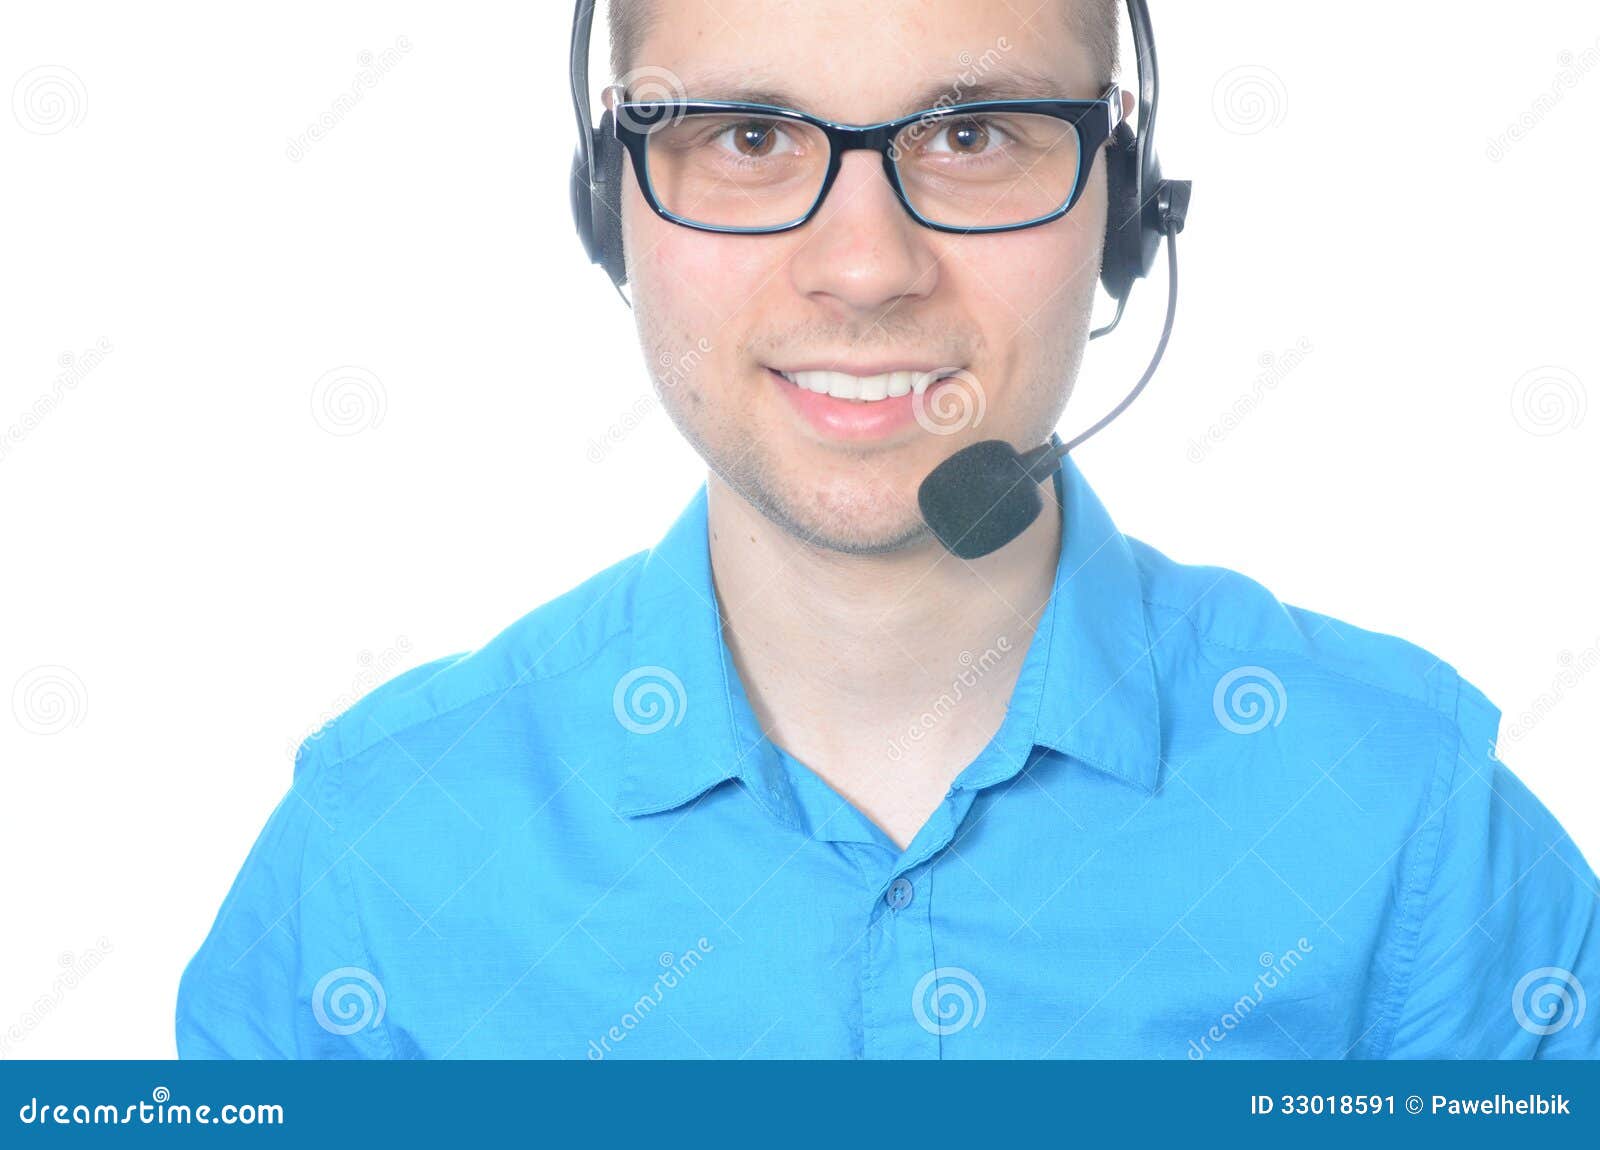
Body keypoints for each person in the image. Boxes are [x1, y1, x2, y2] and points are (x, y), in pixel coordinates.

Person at [177, 0, 1598, 1058]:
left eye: (971, 134)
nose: (865, 267)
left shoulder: (1414, 827)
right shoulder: (376, 859)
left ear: (1126, 208)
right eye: (748, 136)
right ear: (604, 208)